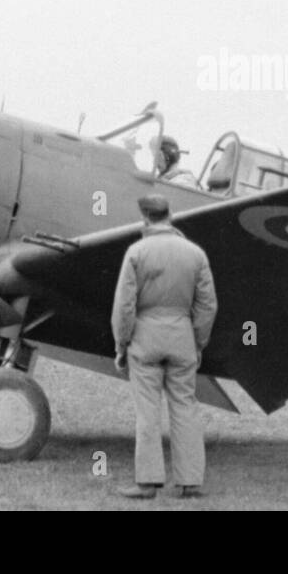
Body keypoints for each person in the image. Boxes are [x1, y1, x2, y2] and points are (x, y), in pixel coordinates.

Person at [111, 194, 217, 499]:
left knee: (148, 412)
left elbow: (125, 306)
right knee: (185, 407)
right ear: (170, 215)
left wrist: (122, 343)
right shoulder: (196, 254)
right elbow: (208, 306)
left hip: (145, 340)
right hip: (182, 337)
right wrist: (197, 341)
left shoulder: (136, 252)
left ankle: (147, 483)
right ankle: (190, 482)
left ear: (145, 218)